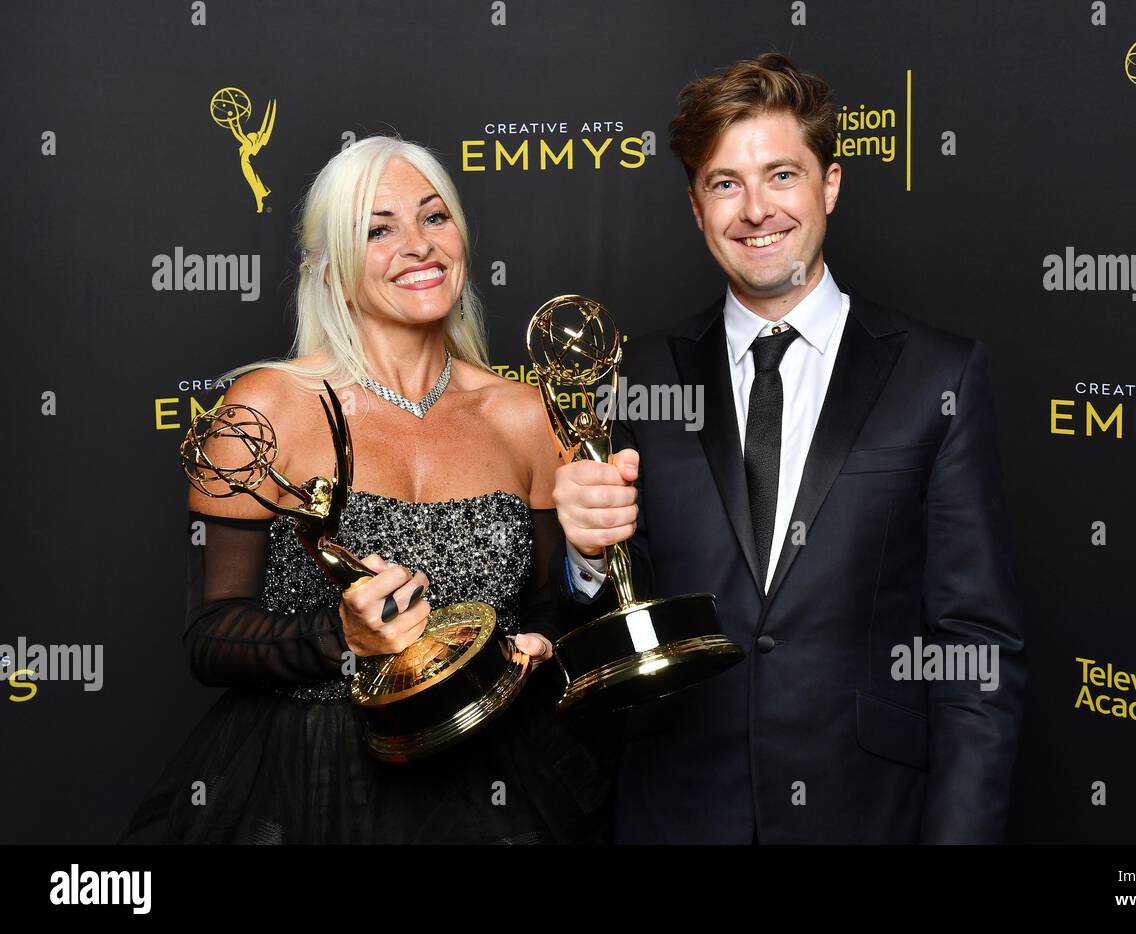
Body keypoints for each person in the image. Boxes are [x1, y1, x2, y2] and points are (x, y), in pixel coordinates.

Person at [553, 53, 1026, 843]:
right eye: (724, 183)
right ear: (697, 207)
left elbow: (975, 650)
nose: (755, 209)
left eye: (780, 175)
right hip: (680, 811)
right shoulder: (635, 375)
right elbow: (609, 631)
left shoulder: (935, 375)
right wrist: (587, 559)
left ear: (829, 185)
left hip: (869, 814)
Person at [123, 136, 616, 844]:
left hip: (487, 777)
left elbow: (550, 604)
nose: (417, 246)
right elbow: (211, 637)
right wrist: (341, 637)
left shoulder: (528, 414)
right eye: (377, 229)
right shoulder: (264, 410)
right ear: (330, 269)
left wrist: (539, 643)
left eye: (434, 218)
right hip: (302, 783)